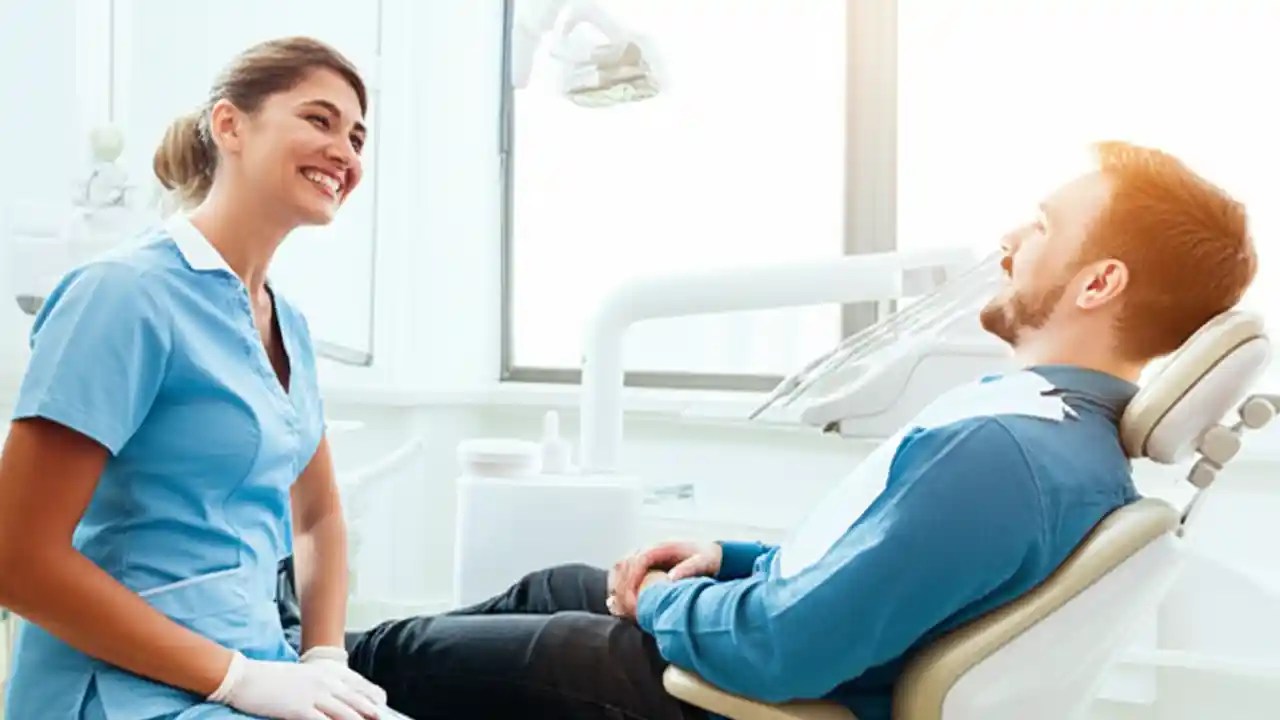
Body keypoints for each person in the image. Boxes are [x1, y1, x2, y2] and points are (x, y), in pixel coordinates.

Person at [275, 140, 1258, 720]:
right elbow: (884, 573)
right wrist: (726, 558)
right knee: (551, 586)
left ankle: (255, 670)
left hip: (734, 698)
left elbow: (786, 651)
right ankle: (280, 647)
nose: (1007, 241)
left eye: (1039, 226)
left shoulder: (1005, 453)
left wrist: (666, 600)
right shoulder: (1049, 437)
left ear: (1098, 282)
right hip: (766, 655)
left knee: (399, 658)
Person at [0, 37, 391, 719]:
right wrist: (237, 680)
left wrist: (324, 657)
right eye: (319, 120)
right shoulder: (123, 294)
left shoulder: (288, 324)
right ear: (229, 125)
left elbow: (319, 515)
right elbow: (16, 558)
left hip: (257, 663)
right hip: (115, 692)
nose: (346, 153)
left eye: (357, 138)